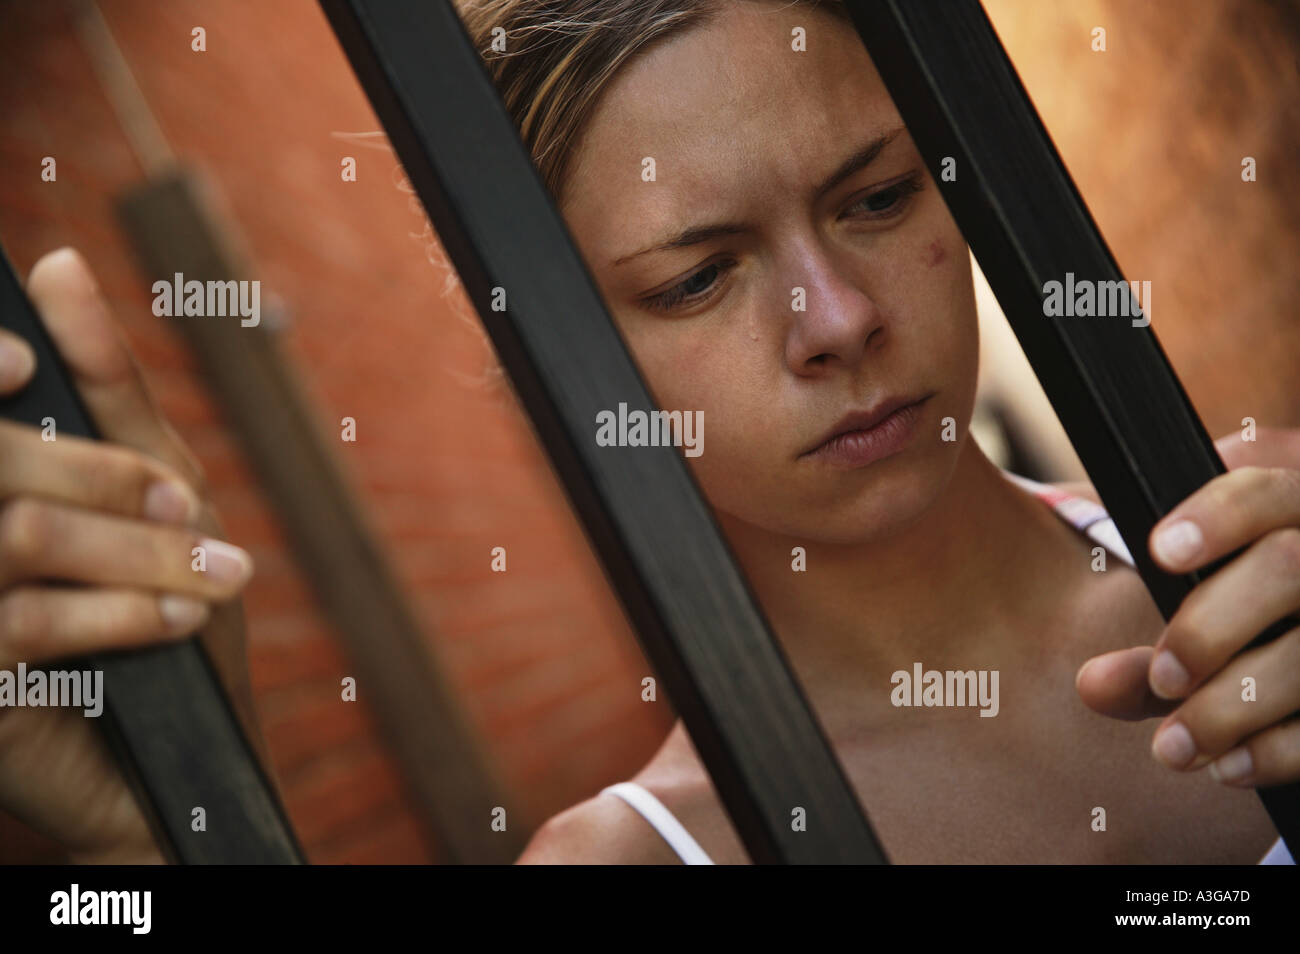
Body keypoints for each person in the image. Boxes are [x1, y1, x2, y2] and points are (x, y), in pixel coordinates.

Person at [1, 0, 1296, 864]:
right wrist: (165, 835)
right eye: (697, 278)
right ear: (567, 368)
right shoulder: (632, 856)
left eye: (878, 197)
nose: (840, 319)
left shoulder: (1267, 552)